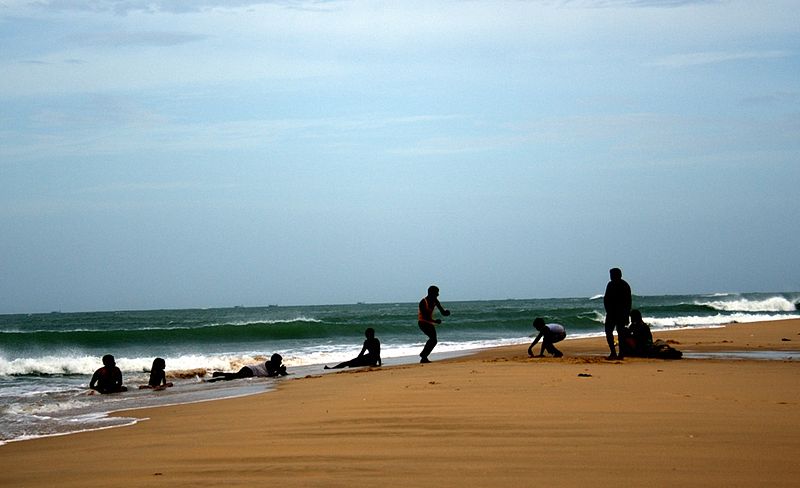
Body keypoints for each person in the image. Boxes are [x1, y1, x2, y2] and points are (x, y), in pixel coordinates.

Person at [603, 267, 632, 360]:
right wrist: (607, 310)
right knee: (609, 332)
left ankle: (620, 353)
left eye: (612, 275)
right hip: (612, 313)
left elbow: (628, 302)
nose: (611, 277)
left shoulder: (624, 285)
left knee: (620, 333)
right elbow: (606, 299)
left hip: (620, 313)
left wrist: (627, 315)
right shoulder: (610, 284)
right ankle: (613, 352)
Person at [418, 285, 450, 363]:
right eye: (436, 293)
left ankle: (424, 356)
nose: (438, 295)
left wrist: (446, 313)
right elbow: (425, 317)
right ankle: (423, 356)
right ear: (431, 293)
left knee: (433, 340)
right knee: (433, 339)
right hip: (422, 322)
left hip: (429, 323)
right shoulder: (423, 302)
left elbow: (442, 311)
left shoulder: (435, 300)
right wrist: (435, 321)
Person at [207, 353, 288, 382]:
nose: (281, 362)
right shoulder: (270, 365)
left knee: (234, 376)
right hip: (250, 370)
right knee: (233, 377)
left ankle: (217, 374)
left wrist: (282, 371)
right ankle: (213, 380)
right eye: (280, 361)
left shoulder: (275, 366)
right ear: (275, 361)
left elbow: (283, 375)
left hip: (249, 369)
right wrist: (280, 371)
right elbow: (271, 376)